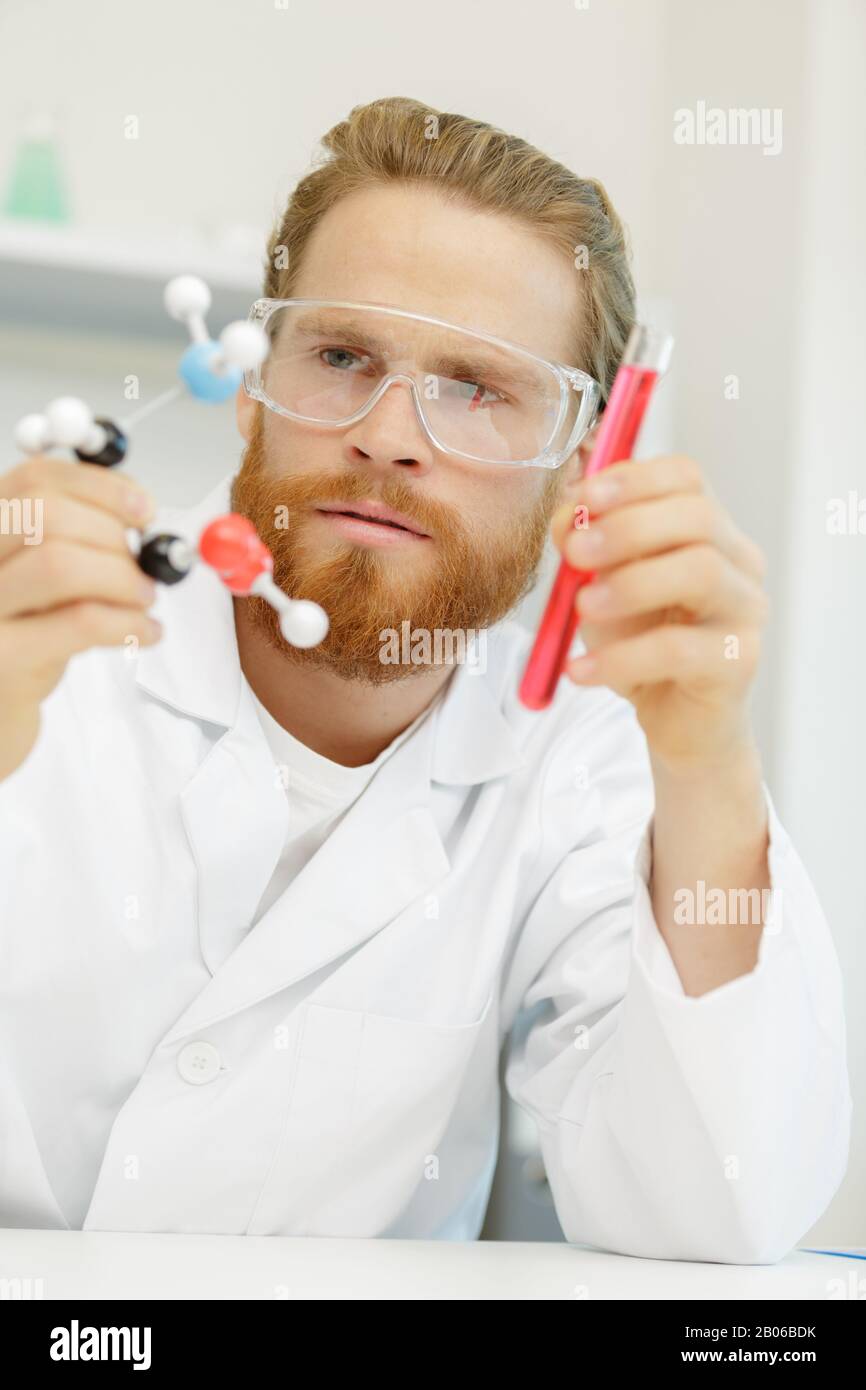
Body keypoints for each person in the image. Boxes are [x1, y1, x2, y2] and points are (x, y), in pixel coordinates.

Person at [0, 96, 849, 1257]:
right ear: (252, 385)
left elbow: (720, 1206)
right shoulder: (41, 647)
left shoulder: (577, 754)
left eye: (475, 386)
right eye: (341, 356)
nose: (390, 433)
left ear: (576, 468)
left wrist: (706, 761)